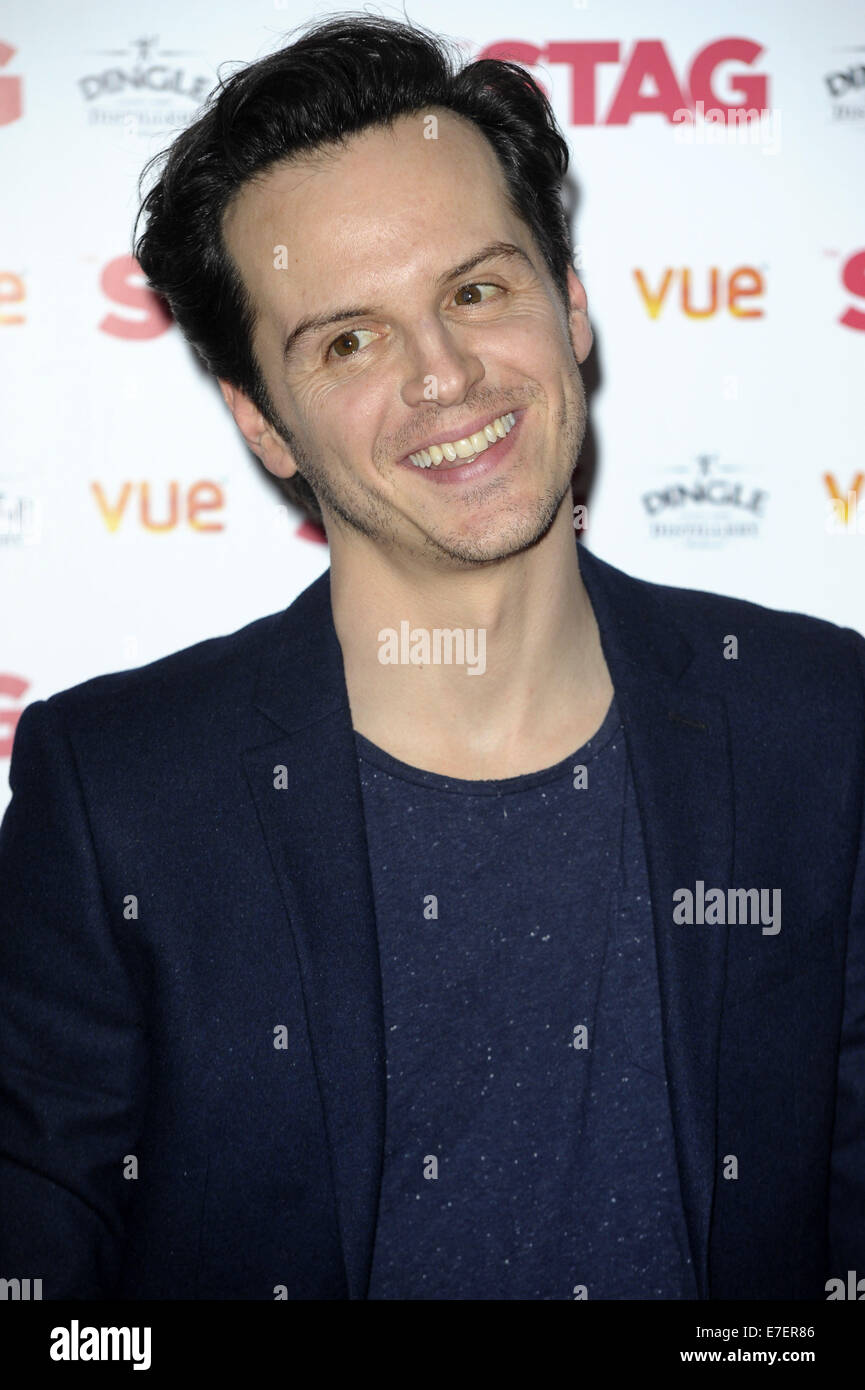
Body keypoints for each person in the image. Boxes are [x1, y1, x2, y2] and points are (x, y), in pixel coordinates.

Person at [1, 14, 863, 1302]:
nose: (445, 376)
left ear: (567, 302)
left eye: (475, 289)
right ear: (261, 418)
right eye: (348, 339)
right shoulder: (117, 790)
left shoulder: (821, 722)